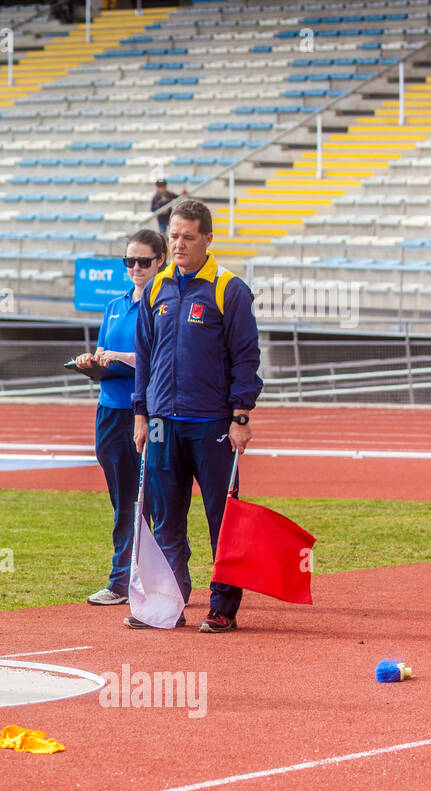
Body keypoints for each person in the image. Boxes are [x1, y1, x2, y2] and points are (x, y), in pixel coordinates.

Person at [130, 198, 262, 633]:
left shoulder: (230, 289)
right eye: (174, 237)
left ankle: (223, 606)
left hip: (213, 423)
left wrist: (241, 414)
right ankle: (169, 603)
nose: (180, 245)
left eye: (189, 237)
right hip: (163, 421)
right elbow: (145, 360)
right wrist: (141, 414)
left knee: (221, 518)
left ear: (208, 238)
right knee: (166, 517)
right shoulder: (156, 289)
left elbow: (246, 357)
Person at [71, 229, 165, 606]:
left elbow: (162, 360)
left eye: (144, 261)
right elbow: (103, 350)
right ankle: (124, 580)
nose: (136, 268)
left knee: (154, 500)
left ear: (161, 261)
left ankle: (152, 578)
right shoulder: (114, 305)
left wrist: (123, 358)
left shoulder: (163, 306)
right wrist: (90, 360)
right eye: (130, 262)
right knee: (122, 500)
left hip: (147, 412)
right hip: (109, 410)